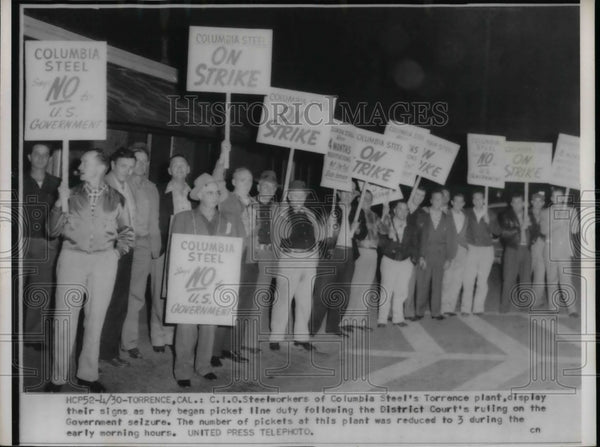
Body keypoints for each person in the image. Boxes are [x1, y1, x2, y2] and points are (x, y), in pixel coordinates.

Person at [45, 149, 134, 393]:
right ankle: (58, 377)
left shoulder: (118, 198)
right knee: (64, 318)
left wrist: (116, 253)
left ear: (101, 167)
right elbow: (52, 231)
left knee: (95, 319)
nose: (79, 165)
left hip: (104, 261)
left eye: (85, 162)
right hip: (72, 257)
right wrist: (57, 205)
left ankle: (87, 374)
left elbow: (127, 232)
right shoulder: (70, 194)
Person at [171, 174, 245, 387]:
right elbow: (176, 251)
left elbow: (237, 249)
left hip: (216, 280)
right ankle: (183, 370)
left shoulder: (228, 220)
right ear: (200, 194)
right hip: (189, 281)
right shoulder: (183, 218)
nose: (215, 196)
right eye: (210, 192)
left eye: (217, 192)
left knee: (209, 325)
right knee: (186, 326)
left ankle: (203, 365)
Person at [270, 180, 326, 351]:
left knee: (304, 300)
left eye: (302, 196)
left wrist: (314, 261)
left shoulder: (309, 214)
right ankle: (276, 336)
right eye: (295, 195)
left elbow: (318, 237)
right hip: (289, 258)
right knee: (283, 299)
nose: (299, 199)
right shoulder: (280, 212)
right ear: (288, 196)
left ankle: (301, 337)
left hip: (308, 260)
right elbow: (275, 239)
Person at [120, 144, 161, 357]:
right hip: (121, 245)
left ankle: (129, 342)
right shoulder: (120, 183)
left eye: (146, 161)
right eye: (138, 160)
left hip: (144, 246)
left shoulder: (151, 187)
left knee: (136, 295)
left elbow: (154, 220)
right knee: (116, 294)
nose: (142, 164)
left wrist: (156, 248)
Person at [213, 166, 257, 364]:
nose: (246, 183)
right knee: (225, 302)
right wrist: (223, 155)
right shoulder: (224, 198)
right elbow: (215, 179)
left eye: (249, 180)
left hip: (250, 258)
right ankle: (214, 350)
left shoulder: (255, 203)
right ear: (233, 182)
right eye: (242, 179)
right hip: (231, 257)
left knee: (244, 306)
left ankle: (233, 347)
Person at [311, 183, 367, 336]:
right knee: (322, 291)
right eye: (344, 191)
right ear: (338, 193)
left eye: (351, 192)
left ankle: (333, 326)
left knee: (343, 292)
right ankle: (312, 328)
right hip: (330, 253)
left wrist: (359, 230)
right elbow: (318, 232)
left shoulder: (358, 211)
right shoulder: (328, 209)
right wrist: (326, 224)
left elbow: (362, 235)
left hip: (349, 255)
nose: (348, 195)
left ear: (355, 194)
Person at [99, 148, 137, 367]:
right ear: (112, 164)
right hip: (109, 249)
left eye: (131, 167)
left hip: (126, 248)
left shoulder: (126, 185)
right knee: (103, 303)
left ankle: (108, 351)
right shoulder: (105, 185)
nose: (128, 171)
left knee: (119, 303)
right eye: (124, 166)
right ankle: (95, 354)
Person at [151, 154, 192, 352]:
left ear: (188, 169)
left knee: (180, 294)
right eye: (175, 165)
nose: (179, 168)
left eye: (182, 165)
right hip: (164, 247)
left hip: (188, 252)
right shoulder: (158, 191)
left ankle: (174, 335)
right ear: (169, 171)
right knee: (160, 292)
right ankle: (159, 336)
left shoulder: (196, 194)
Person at [22, 142, 60, 351]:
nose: (40, 158)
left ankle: (33, 335)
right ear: (29, 157)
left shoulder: (58, 184)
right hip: (19, 241)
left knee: (40, 290)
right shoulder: (16, 180)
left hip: (45, 243)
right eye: (37, 154)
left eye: (45, 155)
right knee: (13, 290)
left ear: (49, 159)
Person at [246, 170, 279, 351]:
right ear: (258, 187)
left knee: (261, 297)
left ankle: (255, 338)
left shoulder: (277, 209)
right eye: (264, 186)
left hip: (268, 256)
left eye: (272, 187)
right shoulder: (249, 205)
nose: (267, 189)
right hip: (251, 254)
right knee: (249, 296)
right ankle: (245, 339)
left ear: (275, 191)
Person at [415, 190, 457, 320]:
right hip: (426, 254)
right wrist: (421, 256)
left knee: (437, 284)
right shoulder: (423, 216)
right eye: (436, 199)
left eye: (441, 199)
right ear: (431, 201)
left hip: (440, 255)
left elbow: (452, 239)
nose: (438, 201)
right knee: (423, 283)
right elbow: (419, 238)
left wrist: (449, 258)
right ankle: (419, 312)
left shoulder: (447, 218)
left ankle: (435, 312)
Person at [341, 189, 379, 331]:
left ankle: (358, 320)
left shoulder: (374, 216)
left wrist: (387, 213)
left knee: (366, 288)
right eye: (364, 198)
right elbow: (351, 235)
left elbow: (385, 231)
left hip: (373, 253)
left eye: (369, 198)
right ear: (358, 199)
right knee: (355, 286)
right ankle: (346, 320)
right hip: (360, 252)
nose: (366, 201)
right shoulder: (354, 213)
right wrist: (356, 231)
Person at [376, 200, 418, 327]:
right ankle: (382, 319)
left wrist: (414, 258)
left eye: (406, 210)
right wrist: (389, 237)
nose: (403, 212)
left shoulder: (411, 227)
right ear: (394, 210)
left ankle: (398, 318)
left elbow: (415, 245)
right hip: (389, 260)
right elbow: (380, 244)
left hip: (405, 262)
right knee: (386, 290)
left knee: (402, 291)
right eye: (400, 209)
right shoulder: (386, 224)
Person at [540, 187, 580, 317]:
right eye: (555, 197)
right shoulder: (545, 212)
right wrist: (558, 223)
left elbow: (575, 230)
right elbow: (544, 231)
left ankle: (572, 309)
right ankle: (553, 307)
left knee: (566, 279)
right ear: (551, 199)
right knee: (551, 279)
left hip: (564, 250)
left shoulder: (571, 210)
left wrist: (572, 218)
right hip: (550, 249)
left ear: (564, 198)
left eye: (561, 197)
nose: (558, 200)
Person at [461, 191, 498, 315]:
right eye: (475, 199)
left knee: (482, 281)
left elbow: (498, 231)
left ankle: (478, 308)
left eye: (480, 199)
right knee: (468, 279)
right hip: (471, 248)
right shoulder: (466, 212)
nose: (478, 201)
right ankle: (465, 308)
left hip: (486, 250)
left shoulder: (490, 213)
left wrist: (489, 221)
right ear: (472, 200)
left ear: (484, 200)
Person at [498, 192, 533, 313]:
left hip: (526, 250)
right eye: (515, 202)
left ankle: (525, 306)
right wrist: (520, 228)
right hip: (512, 249)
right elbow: (504, 234)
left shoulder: (529, 215)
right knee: (508, 278)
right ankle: (504, 307)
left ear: (524, 203)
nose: (517, 205)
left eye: (519, 202)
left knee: (526, 279)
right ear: (511, 204)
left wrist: (531, 226)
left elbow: (535, 233)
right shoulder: (506, 215)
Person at [441, 192, 468, 316]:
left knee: (457, 280)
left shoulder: (465, 216)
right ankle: (443, 307)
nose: (458, 204)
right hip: (449, 249)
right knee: (447, 279)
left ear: (463, 204)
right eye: (455, 201)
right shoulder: (446, 214)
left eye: (460, 202)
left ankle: (450, 307)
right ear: (452, 202)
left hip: (462, 250)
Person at [404, 185, 428, 321]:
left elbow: (424, 237)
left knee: (410, 285)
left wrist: (421, 256)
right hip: (397, 252)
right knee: (395, 283)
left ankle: (408, 311)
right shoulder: (402, 208)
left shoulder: (423, 214)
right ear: (412, 193)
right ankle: (390, 312)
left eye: (422, 196)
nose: (419, 198)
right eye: (417, 194)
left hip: (413, 253)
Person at [529, 192, 547, 309]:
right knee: (526, 273)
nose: (537, 203)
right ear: (531, 202)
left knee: (540, 274)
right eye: (535, 201)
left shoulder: (546, 214)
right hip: (527, 247)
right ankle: (524, 297)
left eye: (540, 201)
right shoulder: (526, 214)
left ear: (543, 203)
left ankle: (537, 301)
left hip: (542, 246)